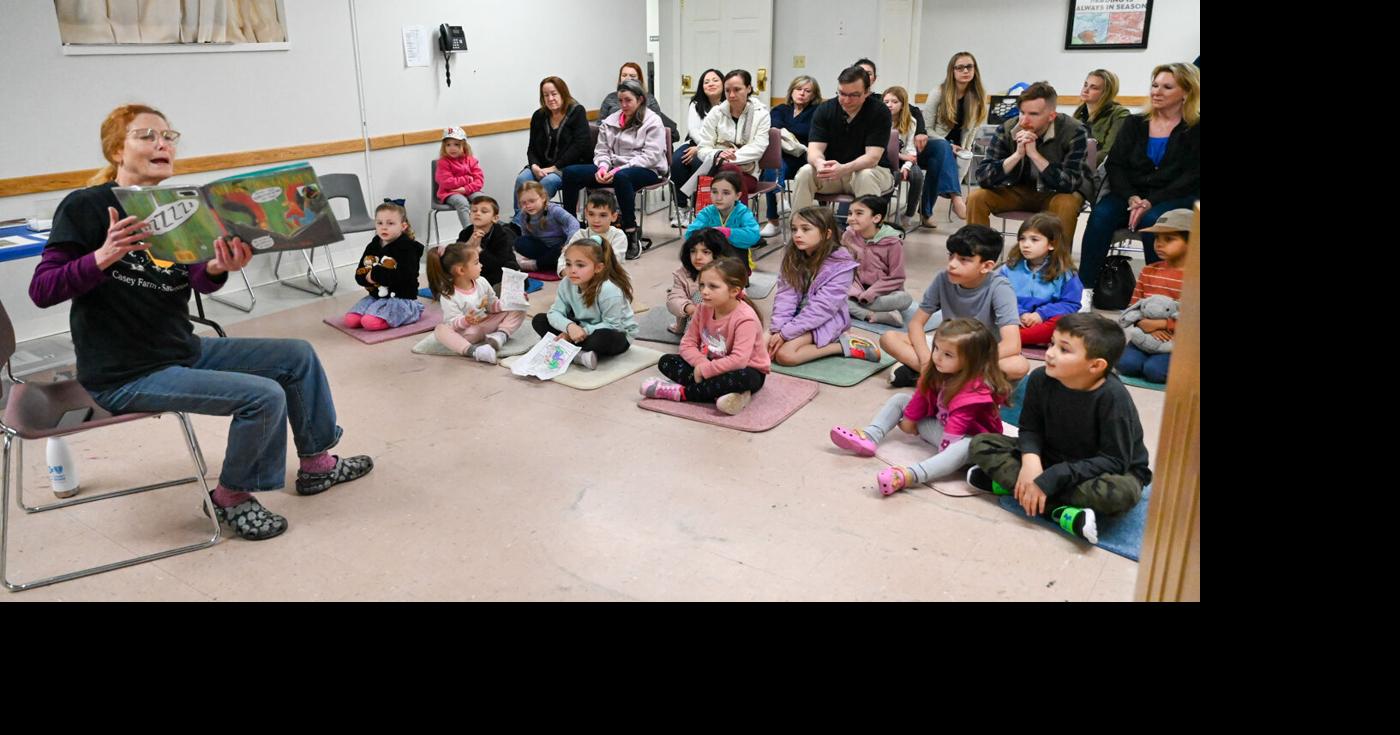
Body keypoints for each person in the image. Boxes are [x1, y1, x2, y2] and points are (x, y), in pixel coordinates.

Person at [28, 103, 372, 540]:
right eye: (147, 135)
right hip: (122, 374)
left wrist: (218, 266)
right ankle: (231, 498)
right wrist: (103, 255)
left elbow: (197, 281)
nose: (162, 143)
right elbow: (42, 290)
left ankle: (317, 465)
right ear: (117, 149)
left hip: (179, 351)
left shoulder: (182, 206)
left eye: (169, 136)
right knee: (262, 397)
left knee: (297, 355)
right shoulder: (86, 207)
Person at [967, 313, 1151, 543]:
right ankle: (1060, 510)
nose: (1051, 353)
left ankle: (1029, 495)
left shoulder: (1113, 397)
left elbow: (1115, 460)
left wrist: (1051, 478)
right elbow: (1030, 428)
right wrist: (1031, 462)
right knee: (981, 444)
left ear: (1095, 365)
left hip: (1099, 469)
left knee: (1120, 494)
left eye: (1064, 350)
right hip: (1053, 456)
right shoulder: (1039, 378)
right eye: (1052, 343)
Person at [831, 318, 1010, 495]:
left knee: (964, 446)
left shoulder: (976, 388)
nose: (937, 357)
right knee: (901, 398)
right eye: (937, 349)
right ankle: (871, 435)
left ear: (972, 361)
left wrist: (945, 456)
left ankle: (910, 475)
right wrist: (910, 419)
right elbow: (922, 395)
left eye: (948, 354)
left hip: (969, 443)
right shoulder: (940, 370)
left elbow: (957, 425)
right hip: (942, 429)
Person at [1078, 62, 1200, 296]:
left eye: (1167, 87)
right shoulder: (1134, 123)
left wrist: (1150, 202)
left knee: (1155, 221)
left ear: (1186, 92)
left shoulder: (1195, 128)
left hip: (1175, 195)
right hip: (1130, 193)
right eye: (1154, 85)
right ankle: (1086, 289)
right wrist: (1133, 197)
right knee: (1101, 215)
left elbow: (1192, 176)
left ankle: (1159, 294)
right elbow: (1115, 164)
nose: (1157, 91)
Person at [968, 81, 1096, 243]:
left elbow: (1069, 183)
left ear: (1051, 116)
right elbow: (983, 178)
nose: (1024, 120)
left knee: (1067, 203)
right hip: (1017, 190)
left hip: (1055, 193)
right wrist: (1016, 155)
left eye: (1033, 114)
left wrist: (1035, 155)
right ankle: (977, 255)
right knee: (977, 197)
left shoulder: (1074, 131)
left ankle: (1057, 265)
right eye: (1022, 112)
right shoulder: (1008, 129)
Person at [643, 257, 771, 415]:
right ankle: (725, 394)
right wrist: (702, 364)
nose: (704, 291)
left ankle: (682, 393)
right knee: (666, 361)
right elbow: (687, 344)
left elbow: (739, 360)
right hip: (712, 362)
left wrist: (706, 370)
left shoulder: (746, 319)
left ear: (734, 291)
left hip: (746, 369)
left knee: (743, 378)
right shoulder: (703, 308)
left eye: (713, 287)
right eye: (702, 285)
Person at [560, 79, 669, 258]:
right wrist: (602, 167)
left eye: (628, 100)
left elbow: (651, 156)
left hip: (647, 169)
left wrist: (618, 170)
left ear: (640, 100)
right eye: (620, 101)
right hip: (612, 169)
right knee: (571, 173)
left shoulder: (653, 121)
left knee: (623, 177)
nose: (623, 105)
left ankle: (630, 232)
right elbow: (601, 150)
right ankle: (572, 226)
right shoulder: (610, 121)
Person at [790, 66, 894, 212]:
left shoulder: (879, 111)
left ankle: (866, 233)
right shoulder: (825, 109)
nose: (846, 100)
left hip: (872, 171)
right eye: (842, 93)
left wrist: (844, 169)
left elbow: (872, 158)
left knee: (865, 175)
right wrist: (819, 163)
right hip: (835, 174)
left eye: (853, 95)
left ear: (866, 93)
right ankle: (801, 228)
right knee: (805, 172)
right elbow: (814, 151)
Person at [531, 235, 639, 369]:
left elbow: (613, 325)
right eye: (568, 264)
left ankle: (569, 349)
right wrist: (569, 327)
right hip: (579, 328)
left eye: (580, 265)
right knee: (539, 320)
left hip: (616, 333)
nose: (572, 270)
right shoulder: (566, 282)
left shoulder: (609, 290)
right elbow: (554, 312)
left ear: (598, 268)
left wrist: (576, 333)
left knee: (602, 338)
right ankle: (579, 356)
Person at [426, 240, 526, 364]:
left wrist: (513, 301)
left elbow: (492, 305)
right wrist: (466, 321)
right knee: (441, 330)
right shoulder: (449, 295)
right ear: (461, 270)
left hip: (489, 323)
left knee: (520, 307)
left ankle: (500, 336)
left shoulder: (482, 281)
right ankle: (475, 351)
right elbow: (452, 323)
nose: (481, 265)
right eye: (476, 263)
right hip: (469, 333)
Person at [916, 51, 987, 225]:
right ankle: (957, 198)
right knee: (941, 148)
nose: (965, 71)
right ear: (952, 71)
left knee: (936, 163)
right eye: (960, 67)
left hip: (950, 151)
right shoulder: (939, 92)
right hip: (928, 146)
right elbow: (925, 129)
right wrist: (947, 144)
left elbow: (972, 130)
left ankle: (925, 213)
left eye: (969, 67)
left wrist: (965, 151)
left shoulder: (978, 97)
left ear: (975, 70)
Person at [514, 76, 592, 217]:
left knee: (547, 181)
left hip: (567, 167)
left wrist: (554, 168)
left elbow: (580, 146)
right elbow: (531, 148)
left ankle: (533, 223)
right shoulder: (538, 116)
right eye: (546, 95)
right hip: (541, 166)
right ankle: (519, 225)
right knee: (522, 179)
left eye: (554, 94)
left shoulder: (577, 112)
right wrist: (534, 166)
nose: (550, 98)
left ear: (563, 93)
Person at [344, 201, 425, 330]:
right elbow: (361, 270)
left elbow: (404, 275)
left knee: (369, 322)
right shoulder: (373, 245)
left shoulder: (408, 248)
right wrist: (365, 278)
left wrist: (375, 275)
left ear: (403, 226)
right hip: (376, 296)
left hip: (400, 298)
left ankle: (410, 313)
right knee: (351, 321)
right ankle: (376, 311)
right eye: (379, 223)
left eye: (390, 223)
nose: (384, 227)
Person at [434, 126, 484, 229]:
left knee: (482, 200)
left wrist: (466, 189)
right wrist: (467, 179)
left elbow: (479, 181)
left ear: (464, 146)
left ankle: (485, 229)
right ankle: (469, 232)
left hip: (469, 190)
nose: (452, 148)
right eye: (448, 145)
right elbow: (447, 182)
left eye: (456, 144)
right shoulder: (443, 163)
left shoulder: (471, 160)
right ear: (444, 147)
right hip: (450, 192)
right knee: (462, 202)